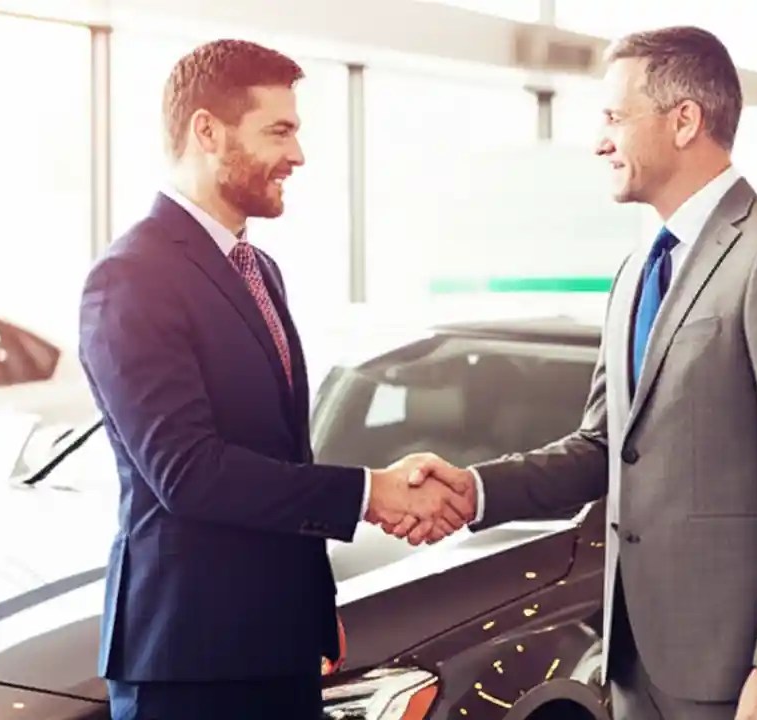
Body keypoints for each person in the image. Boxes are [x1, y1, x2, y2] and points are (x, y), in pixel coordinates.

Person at [396, 25, 757, 720]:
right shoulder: (636, 272)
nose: (599, 140)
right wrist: (474, 489)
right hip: (633, 656)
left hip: (735, 667)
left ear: (684, 121)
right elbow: (604, 447)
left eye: (615, 117)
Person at [78, 39, 472, 720]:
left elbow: (281, 455)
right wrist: (371, 493)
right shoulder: (131, 277)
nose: (298, 155)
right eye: (279, 130)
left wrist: (309, 609)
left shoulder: (258, 269)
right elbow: (189, 473)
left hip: (273, 646)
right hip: (189, 665)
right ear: (207, 131)